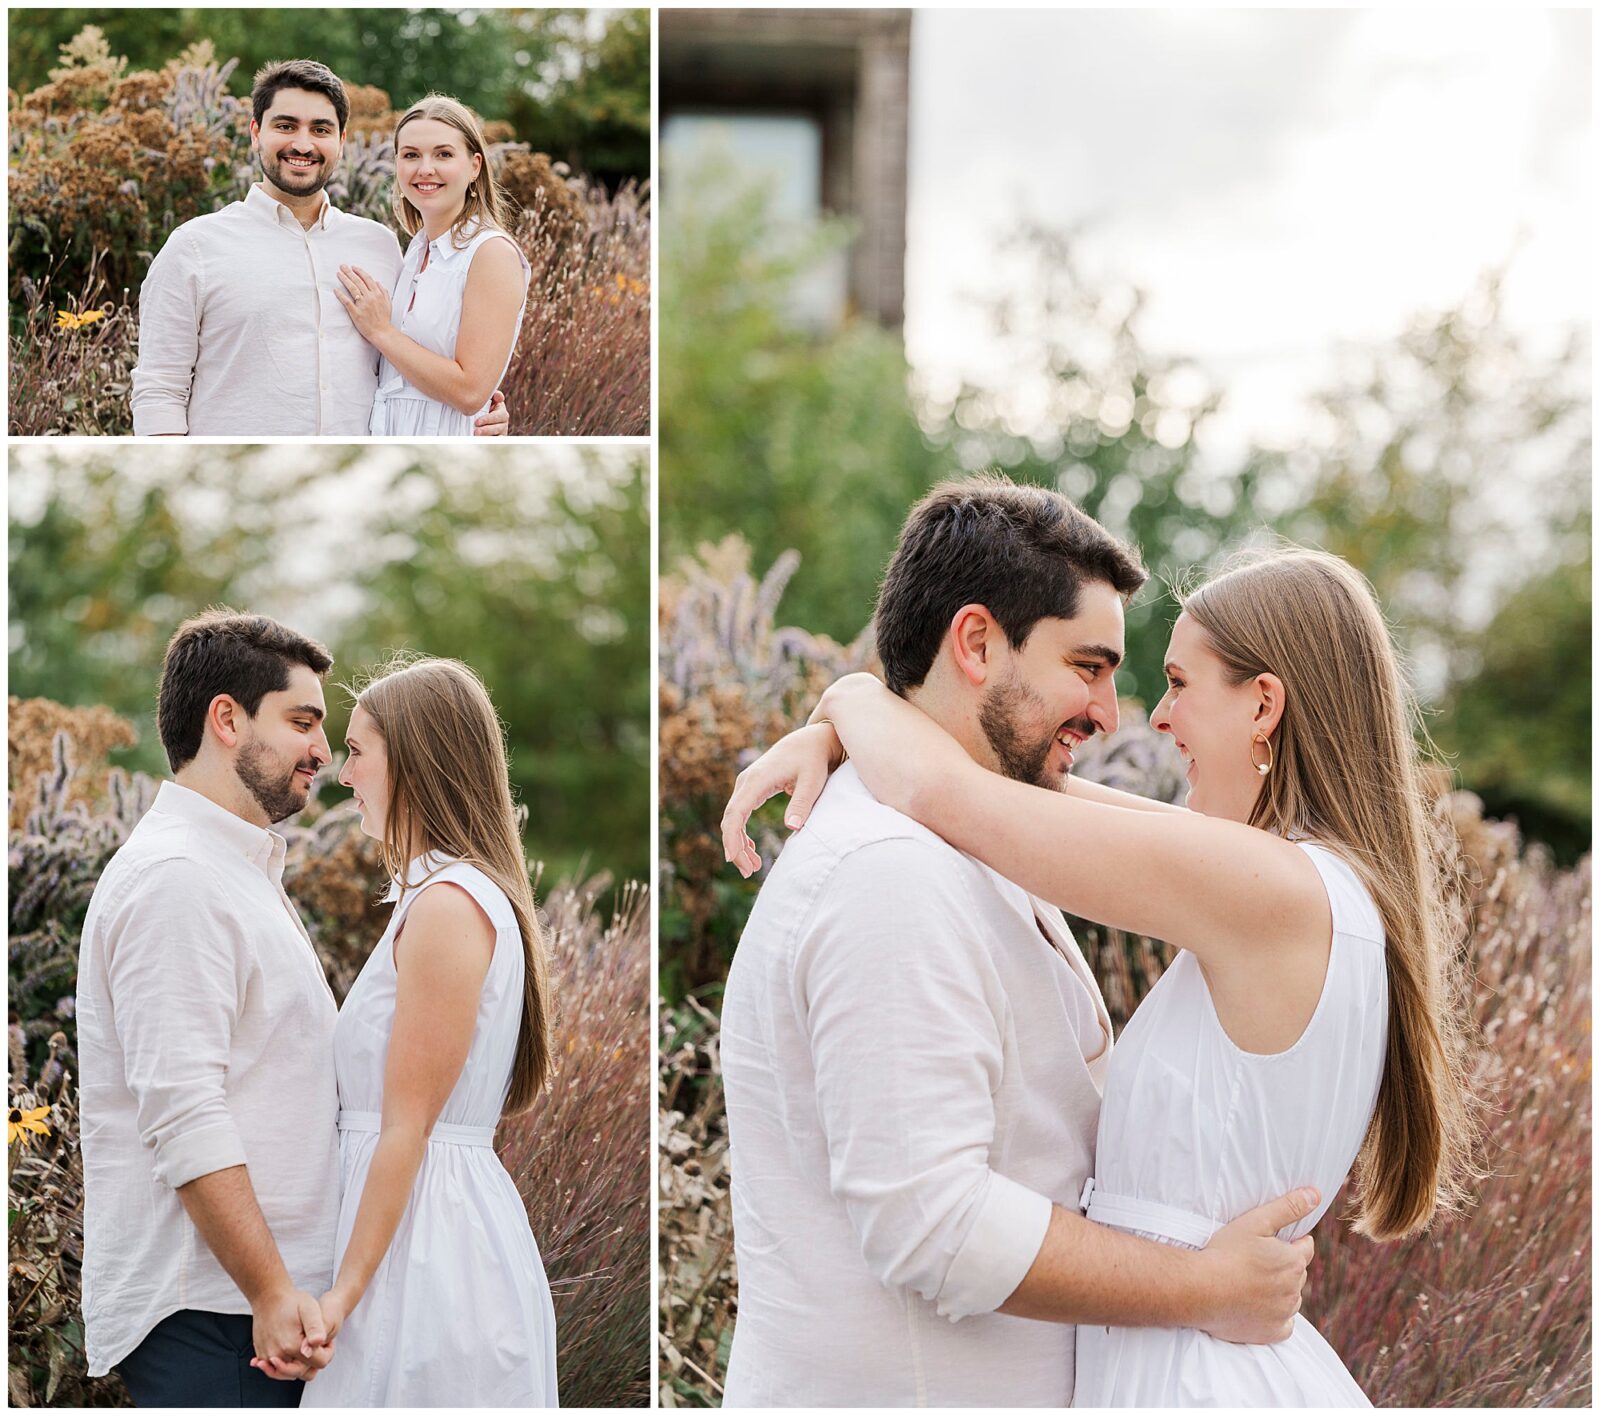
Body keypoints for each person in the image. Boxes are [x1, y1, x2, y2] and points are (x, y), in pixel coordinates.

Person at [724, 503, 1479, 1405]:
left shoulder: (1274, 889)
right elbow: (931, 1220)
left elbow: (939, 787)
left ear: (1265, 704)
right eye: (1092, 668)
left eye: (1174, 683)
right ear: (977, 644)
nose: (1137, 719)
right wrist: (846, 712)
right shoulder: (897, 869)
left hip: (1188, 1369)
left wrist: (849, 700)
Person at [78, 610, 341, 1405]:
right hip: (217, 1320)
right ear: (226, 718)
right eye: (302, 722)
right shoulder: (178, 881)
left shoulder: (233, 870)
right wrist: (268, 1291)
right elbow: (184, 1111)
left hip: (252, 1315)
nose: (322, 752)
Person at [287, 656, 559, 1406]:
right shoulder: (439, 897)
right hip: (406, 1231)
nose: (343, 775)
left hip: (422, 1250)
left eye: (357, 751)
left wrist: (342, 1295)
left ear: (412, 760)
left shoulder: (447, 907)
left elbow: (407, 1126)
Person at [129, 60, 509, 437]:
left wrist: (477, 416)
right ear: (255, 133)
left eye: (321, 129)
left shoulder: (380, 244)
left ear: (341, 142)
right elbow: (159, 390)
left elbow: (401, 366)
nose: (303, 144)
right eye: (285, 126)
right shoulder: (194, 246)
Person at [333, 96, 532, 436]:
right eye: (411, 155)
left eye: (443, 154)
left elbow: (470, 391)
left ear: (474, 166)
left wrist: (381, 331)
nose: (425, 168)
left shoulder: (491, 253)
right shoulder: (415, 250)